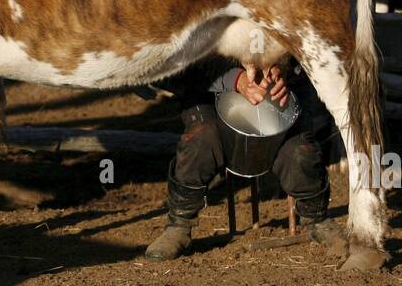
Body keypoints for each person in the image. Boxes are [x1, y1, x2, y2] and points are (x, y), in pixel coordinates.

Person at [143, 61, 347, 261]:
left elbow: (308, 48)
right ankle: (179, 224)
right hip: (206, 91)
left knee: (299, 152)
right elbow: (177, 66)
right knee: (201, 139)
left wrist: (283, 70)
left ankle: (317, 219)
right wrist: (234, 79)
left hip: (277, 93)